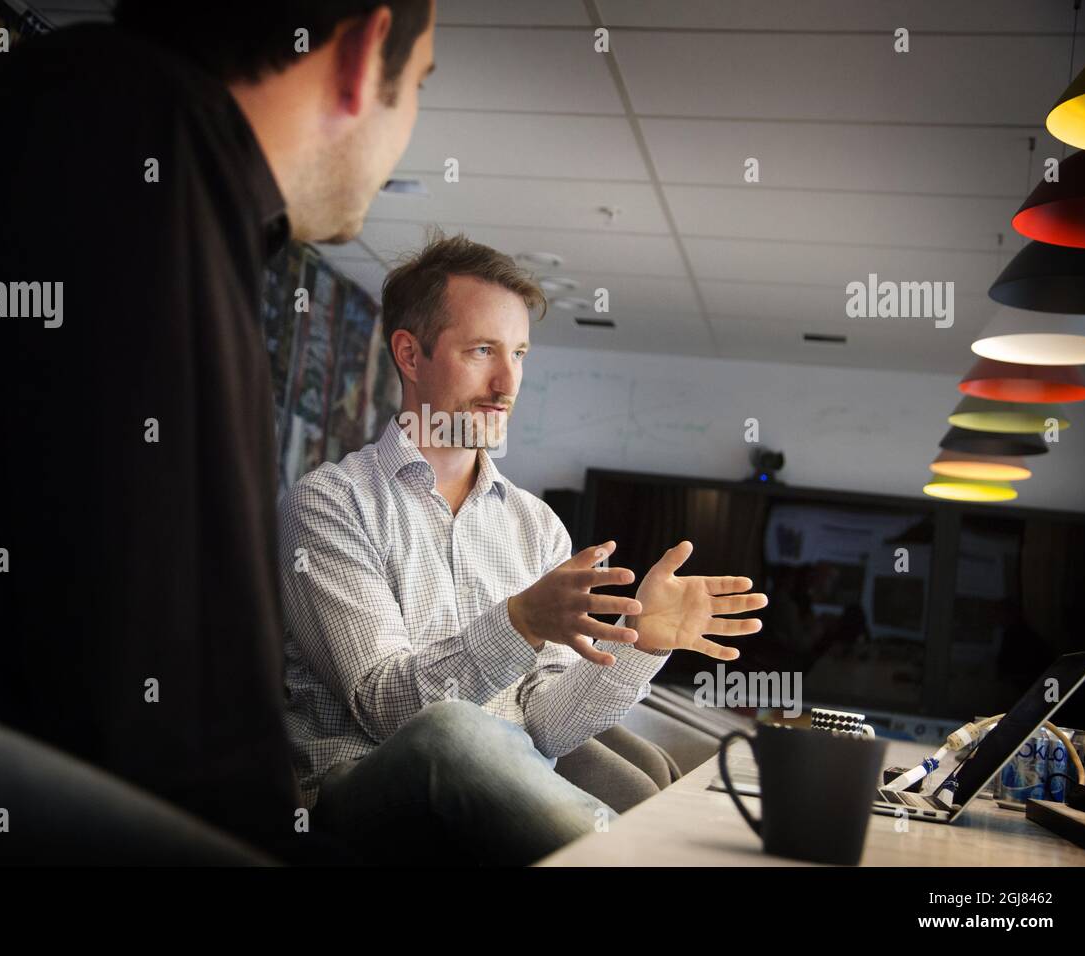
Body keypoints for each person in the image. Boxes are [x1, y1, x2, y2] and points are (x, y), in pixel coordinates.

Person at [0, 1, 435, 863]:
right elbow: (183, 729)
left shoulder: (95, 111)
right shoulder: (146, 152)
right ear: (364, 56)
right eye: (422, 84)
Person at [278, 231, 769, 864]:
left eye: (520, 353)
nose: (507, 381)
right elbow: (388, 711)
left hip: (501, 793)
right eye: (482, 350)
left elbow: (545, 728)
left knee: (516, 744)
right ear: (409, 352)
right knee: (455, 733)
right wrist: (519, 623)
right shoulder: (328, 504)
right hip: (363, 802)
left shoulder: (538, 527)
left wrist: (641, 642)